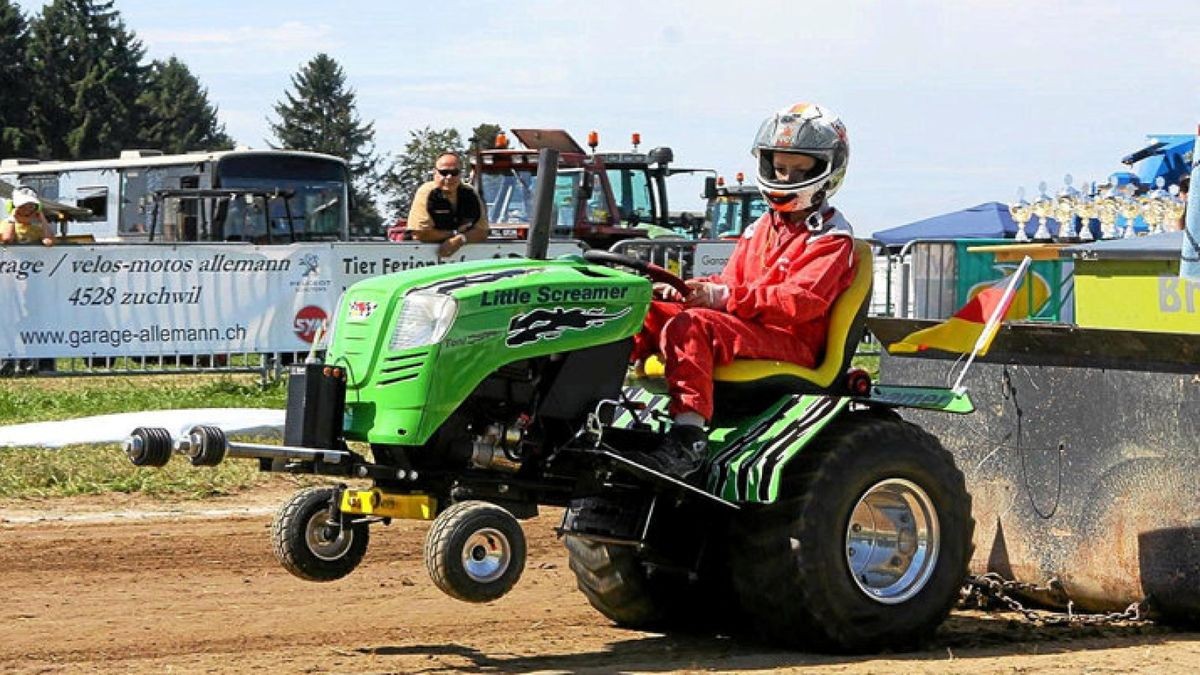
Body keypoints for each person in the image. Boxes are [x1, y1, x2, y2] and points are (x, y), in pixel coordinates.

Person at [628, 103, 858, 478]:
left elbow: (799, 303)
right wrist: (692, 290)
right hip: (751, 329)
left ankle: (688, 440)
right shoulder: (760, 228)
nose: (785, 177)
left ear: (828, 171)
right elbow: (731, 284)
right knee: (643, 310)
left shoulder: (831, 239)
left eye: (800, 169)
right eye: (780, 167)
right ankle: (587, 410)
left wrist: (720, 298)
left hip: (791, 342)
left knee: (693, 326)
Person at [406, 152, 490, 257]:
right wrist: (454, 235)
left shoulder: (470, 193)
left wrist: (461, 239)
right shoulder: (426, 192)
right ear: (434, 173)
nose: (449, 177)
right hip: (420, 259)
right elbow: (420, 233)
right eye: (444, 172)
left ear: (460, 174)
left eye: (454, 172)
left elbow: (482, 232)